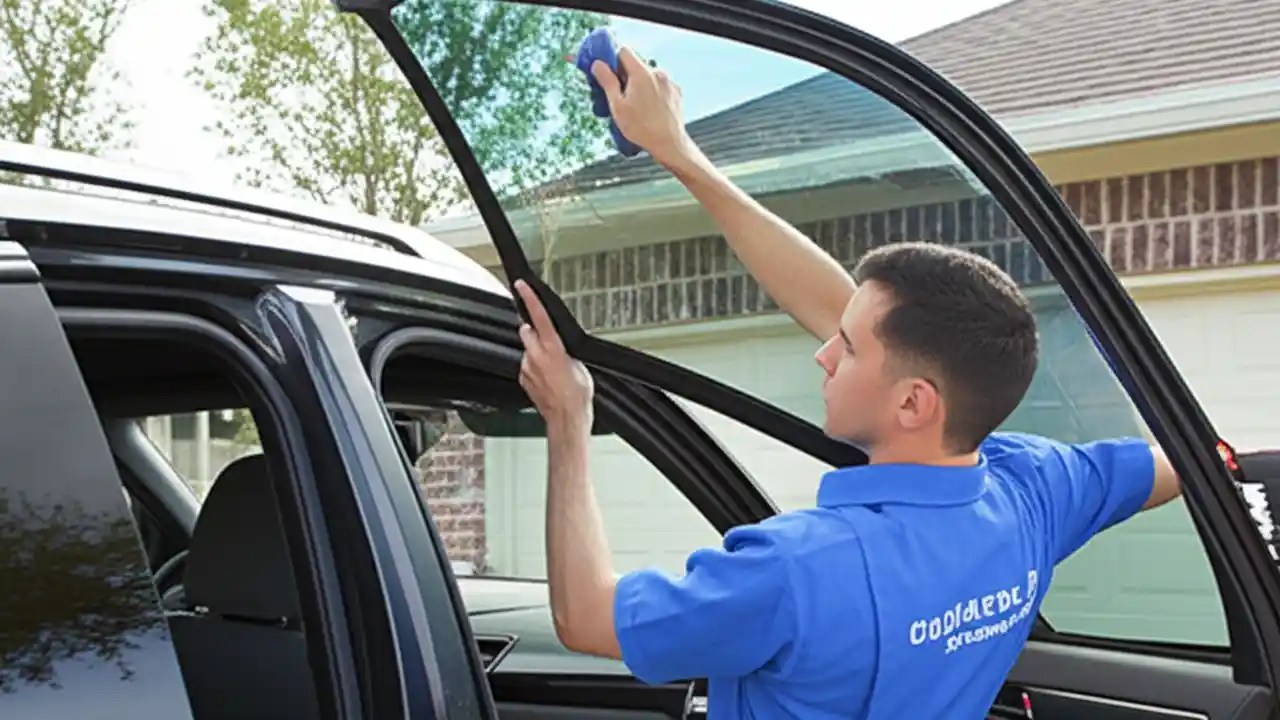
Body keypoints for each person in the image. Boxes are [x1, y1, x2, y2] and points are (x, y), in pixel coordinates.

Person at [512, 46, 1183, 720]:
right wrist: (680, 156)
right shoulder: (1032, 494)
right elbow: (1184, 464)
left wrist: (569, 422)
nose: (823, 353)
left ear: (914, 402)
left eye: (849, 347)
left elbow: (585, 616)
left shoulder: (798, 573)